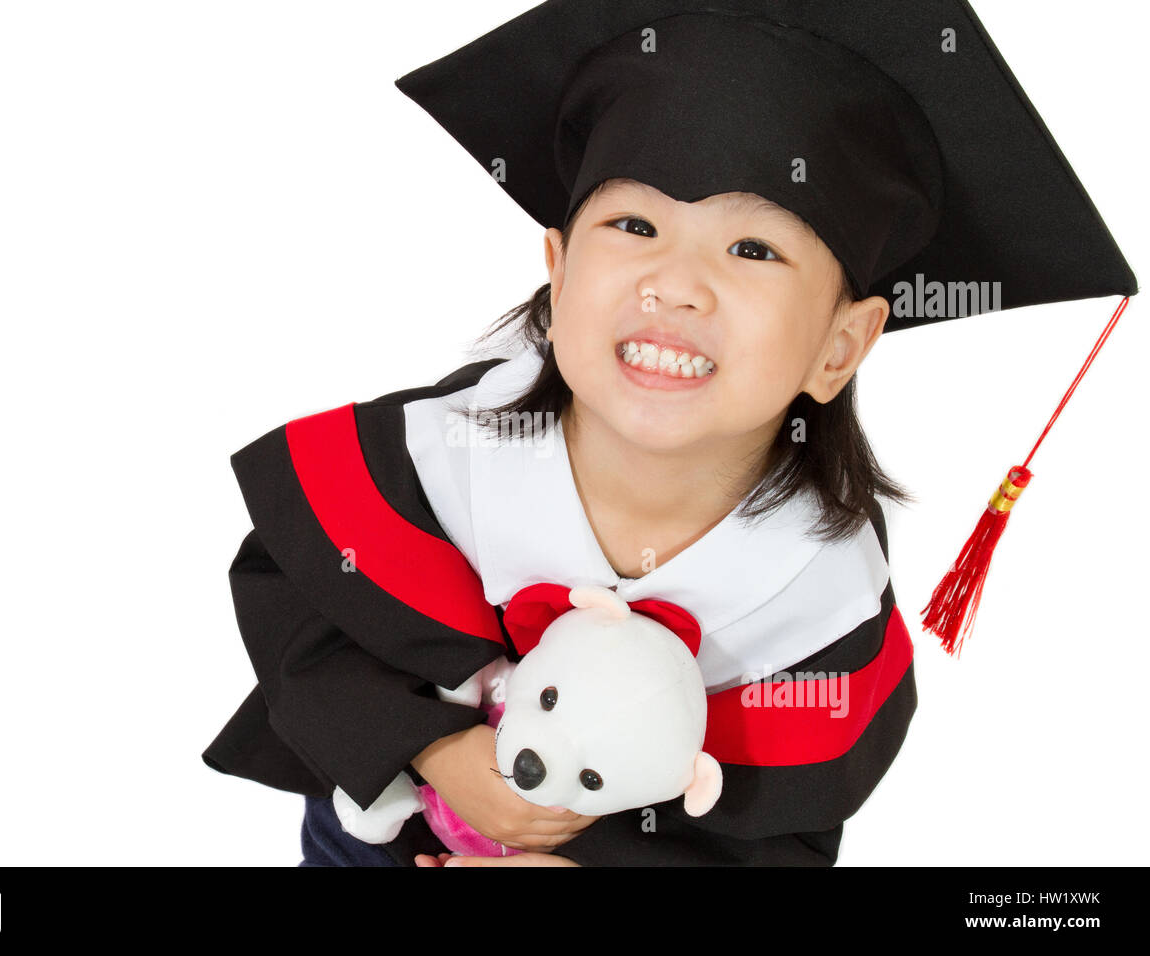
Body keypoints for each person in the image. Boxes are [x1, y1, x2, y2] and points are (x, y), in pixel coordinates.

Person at [202, 0, 1136, 866]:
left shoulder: (816, 604)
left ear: (840, 345)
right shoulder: (442, 457)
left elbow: (783, 837)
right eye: (635, 222)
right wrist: (437, 750)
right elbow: (302, 611)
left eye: (754, 249)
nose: (676, 283)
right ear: (559, 274)